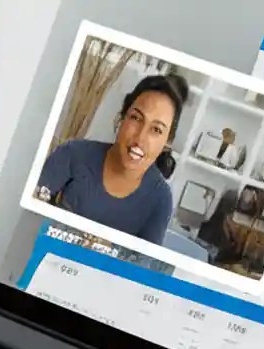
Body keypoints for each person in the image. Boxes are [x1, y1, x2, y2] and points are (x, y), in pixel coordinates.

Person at [36, 74, 189, 244]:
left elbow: (141, 266)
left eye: (156, 130)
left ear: (167, 142)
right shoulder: (72, 154)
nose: (140, 137)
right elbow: (28, 218)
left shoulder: (160, 199)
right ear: (121, 118)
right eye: (136, 118)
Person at [198, 142, 264, 267]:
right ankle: (207, 248)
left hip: (262, 245)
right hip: (238, 232)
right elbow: (242, 204)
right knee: (230, 197)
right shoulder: (257, 176)